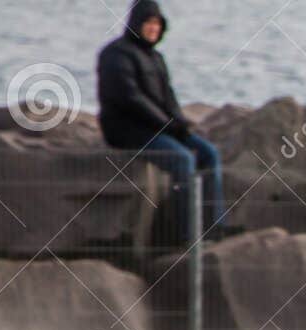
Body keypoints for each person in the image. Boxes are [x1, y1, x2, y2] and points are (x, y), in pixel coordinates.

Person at [97, 1, 227, 237]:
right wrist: (167, 124)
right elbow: (131, 98)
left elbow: (168, 97)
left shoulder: (155, 57)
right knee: (182, 159)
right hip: (128, 131)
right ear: (136, 23)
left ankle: (214, 225)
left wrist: (181, 125)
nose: (153, 28)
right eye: (149, 22)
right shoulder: (116, 55)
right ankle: (185, 232)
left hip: (157, 128)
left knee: (209, 154)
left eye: (157, 23)